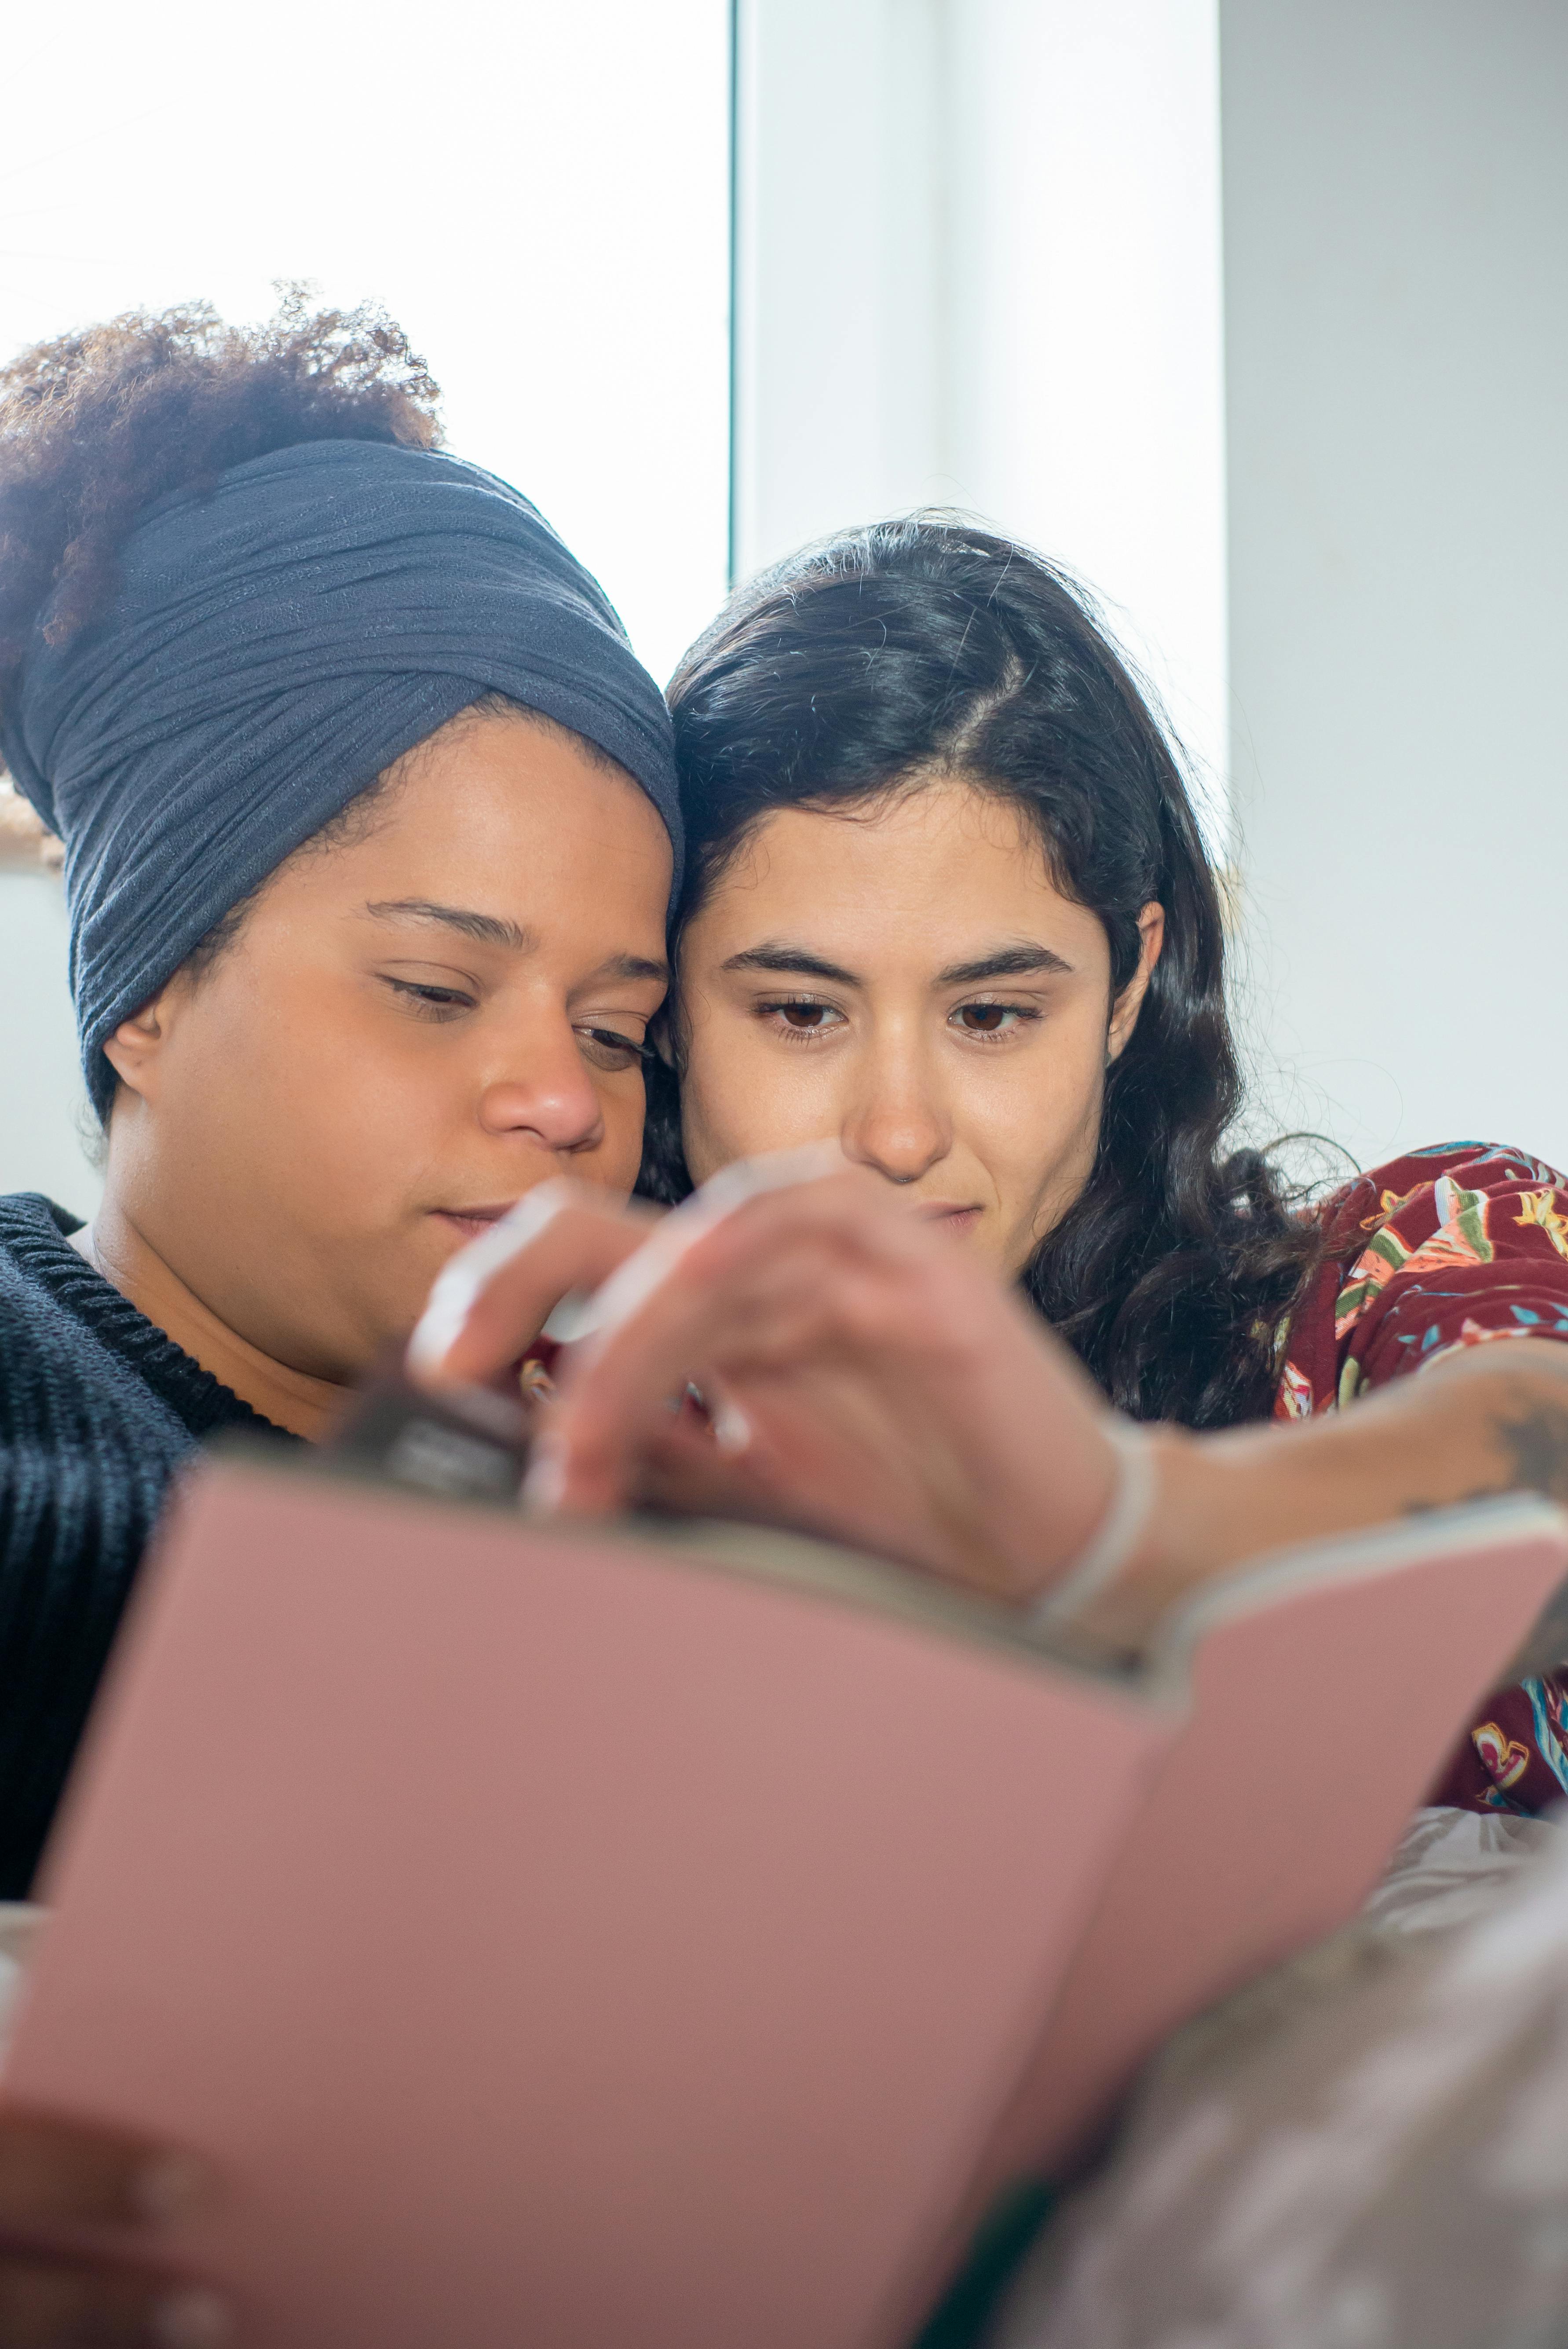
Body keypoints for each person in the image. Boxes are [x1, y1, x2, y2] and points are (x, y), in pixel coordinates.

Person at [422, 516, 1568, 1809]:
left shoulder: (1384, 1283)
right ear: (672, 1003)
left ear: (1128, 985)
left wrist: (1134, 1532)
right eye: (802, 1013)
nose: (900, 1134)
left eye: (992, 1015)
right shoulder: (556, 1415)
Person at [0, 295, 681, 2339]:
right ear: (146, 991)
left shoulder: (617, 1452)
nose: (563, 1100)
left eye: (620, 1026)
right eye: (433, 988)